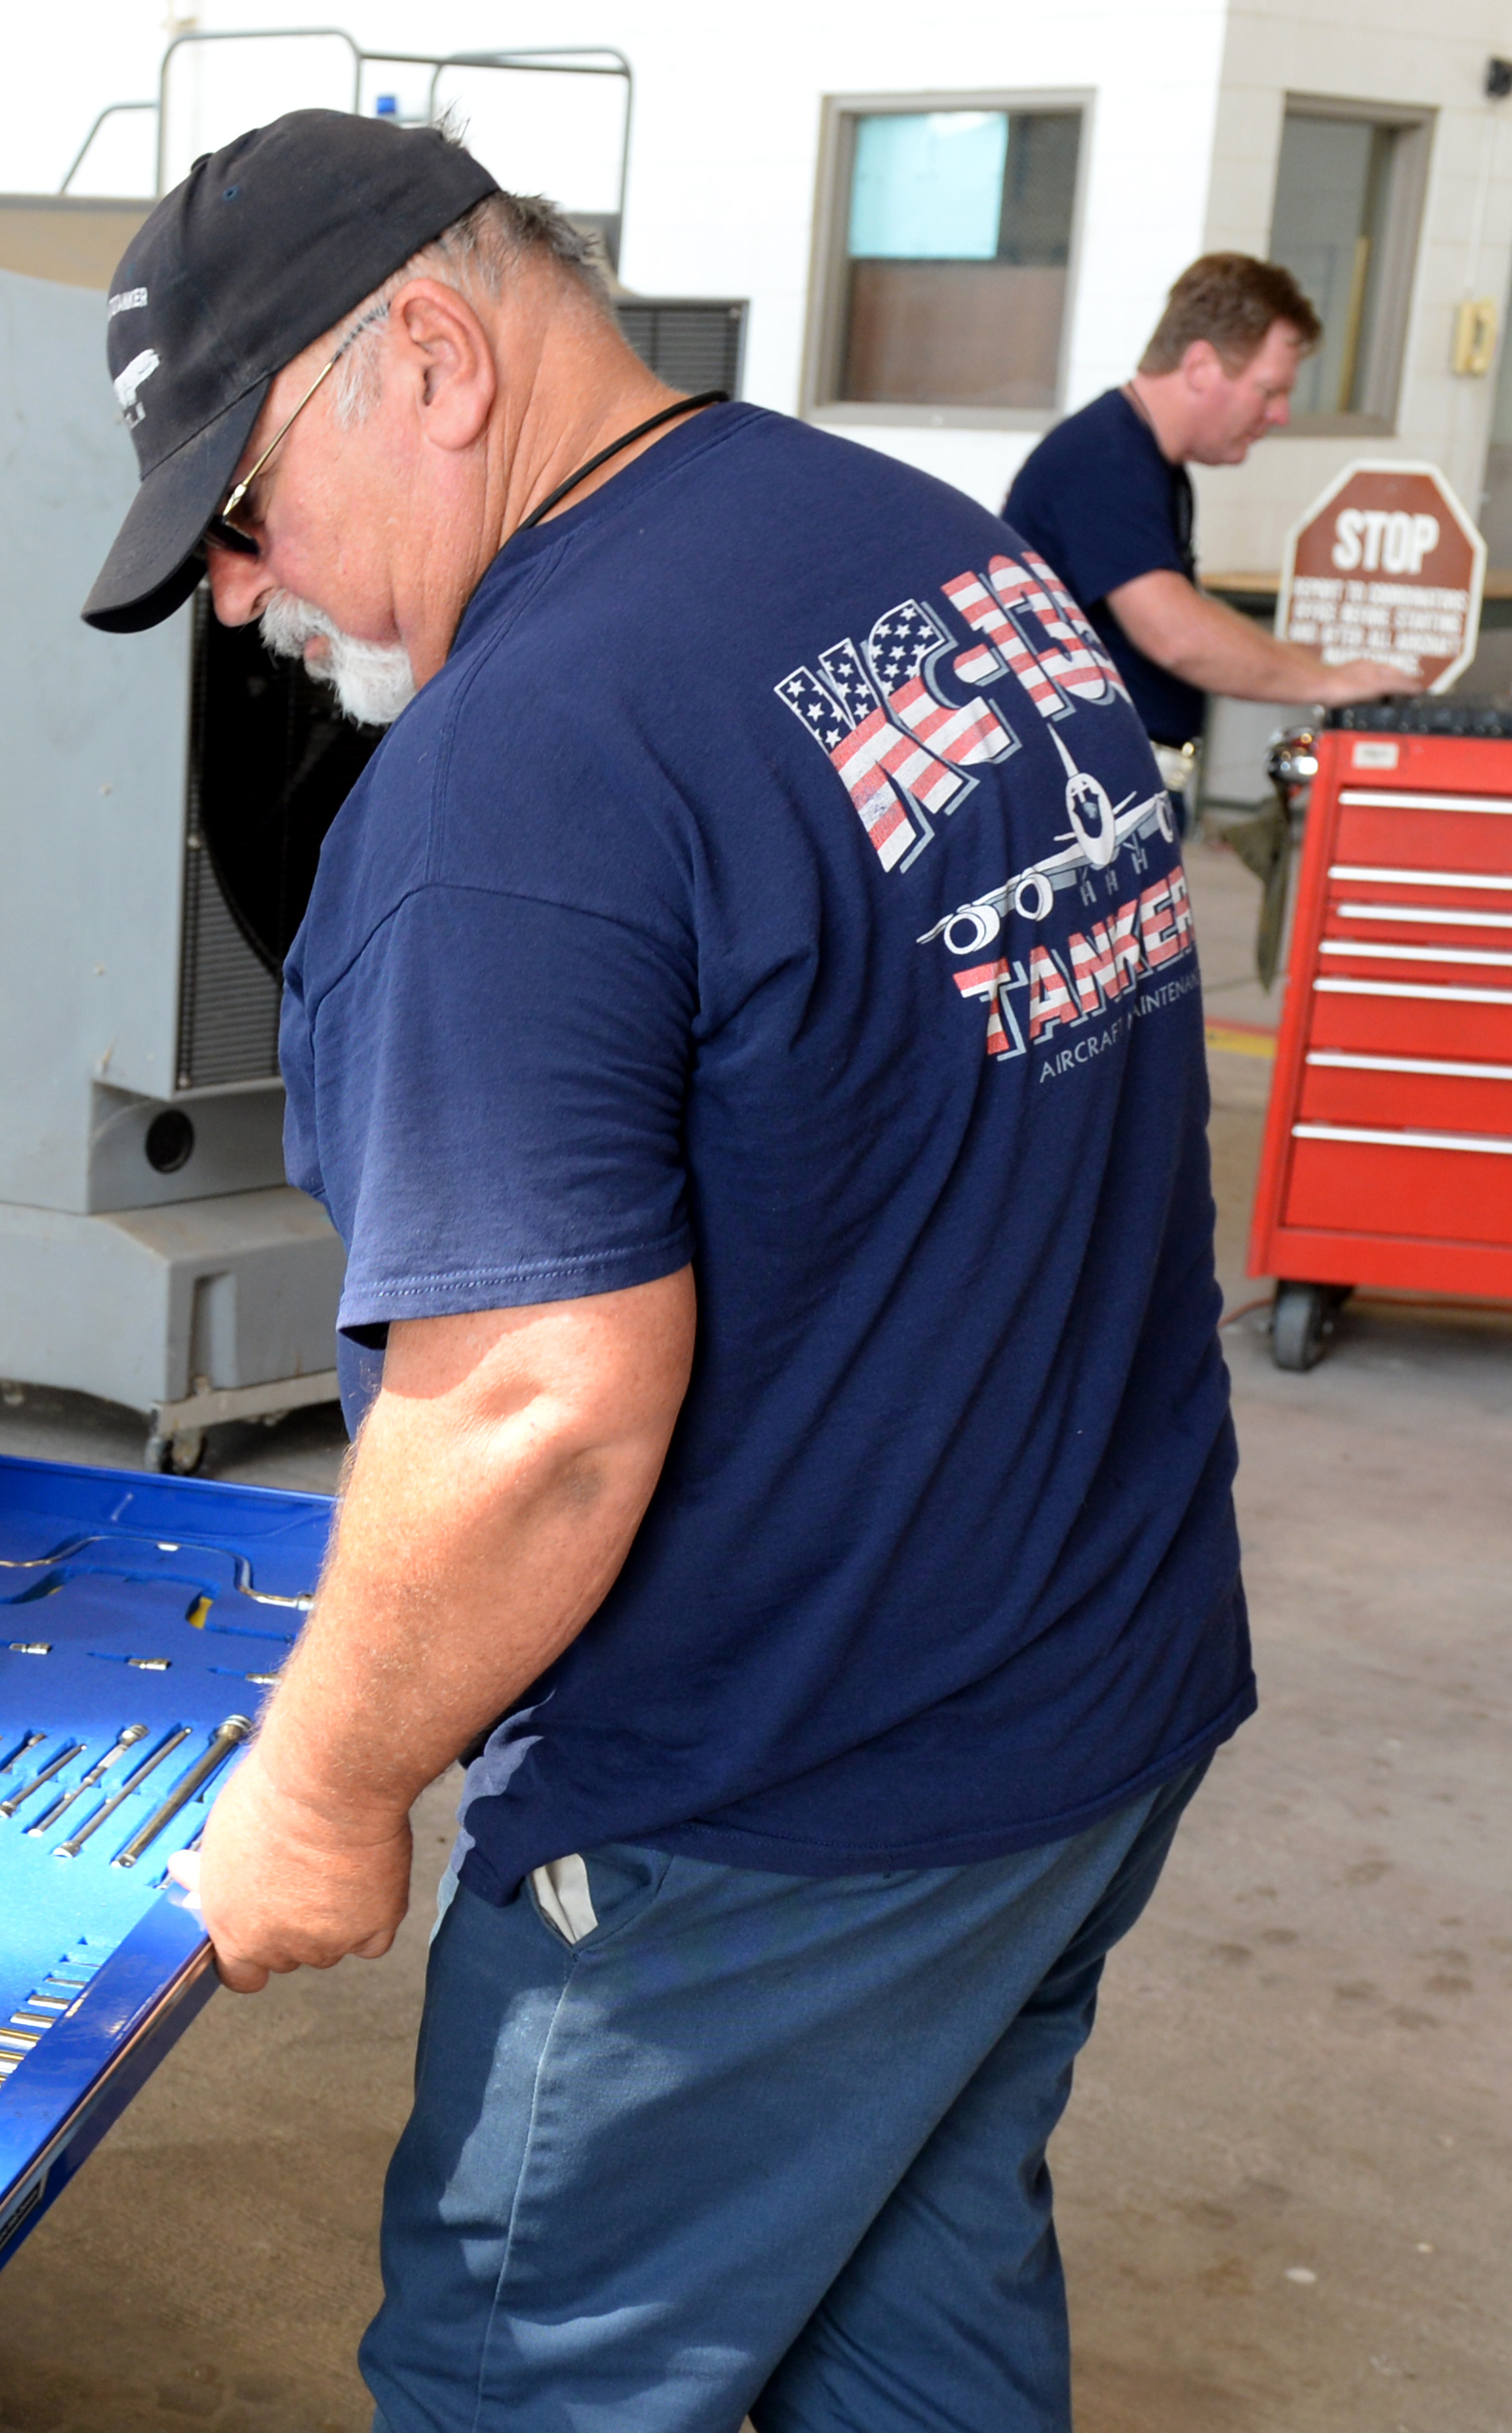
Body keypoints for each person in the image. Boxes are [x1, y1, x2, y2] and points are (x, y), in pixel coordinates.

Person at [83, 112, 1248, 2430]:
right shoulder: (922, 554)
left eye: (241, 507)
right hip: (1078, 1698)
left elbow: (529, 1409)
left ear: (422, 355)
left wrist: (316, 1788)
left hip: (774, 1794)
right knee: (897, 2333)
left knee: (535, 2376)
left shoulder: (517, 772)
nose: (242, 587)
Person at [1004, 253, 1416, 783]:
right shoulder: (1104, 459)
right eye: (1269, 391)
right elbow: (1176, 634)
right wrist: (1327, 682)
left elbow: (1183, 615)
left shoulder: (1148, 463)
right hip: (1082, 784)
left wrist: (1305, 662)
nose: (1280, 415)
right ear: (1200, 367)